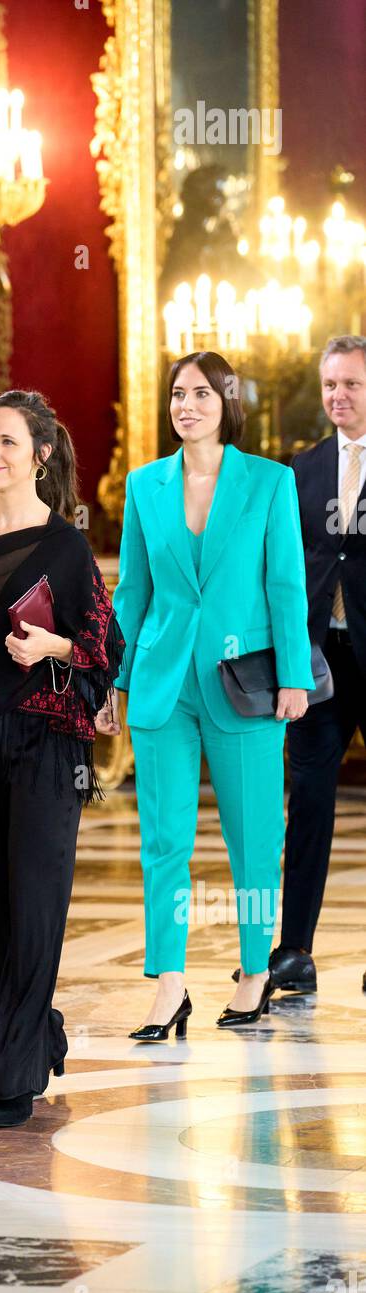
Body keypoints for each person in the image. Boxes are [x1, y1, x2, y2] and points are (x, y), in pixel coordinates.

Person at [0, 389, 123, 1128]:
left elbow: (107, 646)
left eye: (7, 442)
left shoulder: (66, 546)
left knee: (37, 899)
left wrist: (53, 647)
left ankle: (10, 1076)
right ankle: (38, 1031)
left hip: (49, 739)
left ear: (39, 455)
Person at [108, 351, 314, 1038]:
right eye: (176, 393)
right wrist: (117, 678)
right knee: (164, 841)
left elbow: (286, 583)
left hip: (245, 683)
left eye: (200, 393)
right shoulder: (144, 486)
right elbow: (133, 591)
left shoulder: (268, 482)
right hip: (164, 685)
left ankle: (255, 970)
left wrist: (295, 674)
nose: (186, 404)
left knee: (253, 839)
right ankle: (169, 983)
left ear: (227, 401)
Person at [274, 335, 366, 993]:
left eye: (351, 384)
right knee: (307, 801)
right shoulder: (300, 471)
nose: (338, 395)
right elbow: (281, 568)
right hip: (317, 660)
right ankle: (295, 952)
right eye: (330, 384)